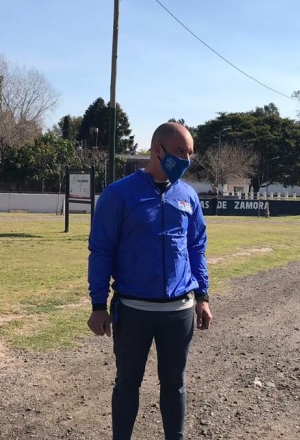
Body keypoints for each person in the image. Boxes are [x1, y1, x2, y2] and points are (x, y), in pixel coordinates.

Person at [87, 122, 212, 440]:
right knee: (127, 382)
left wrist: (203, 296)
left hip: (179, 310)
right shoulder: (119, 194)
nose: (187, 159)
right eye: (181, 151)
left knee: (174, 383)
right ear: (158, 150)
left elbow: (196, 247)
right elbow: (101, 250)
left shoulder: (188, 197)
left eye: (190, 153)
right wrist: (98, 305)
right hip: (133, 310)